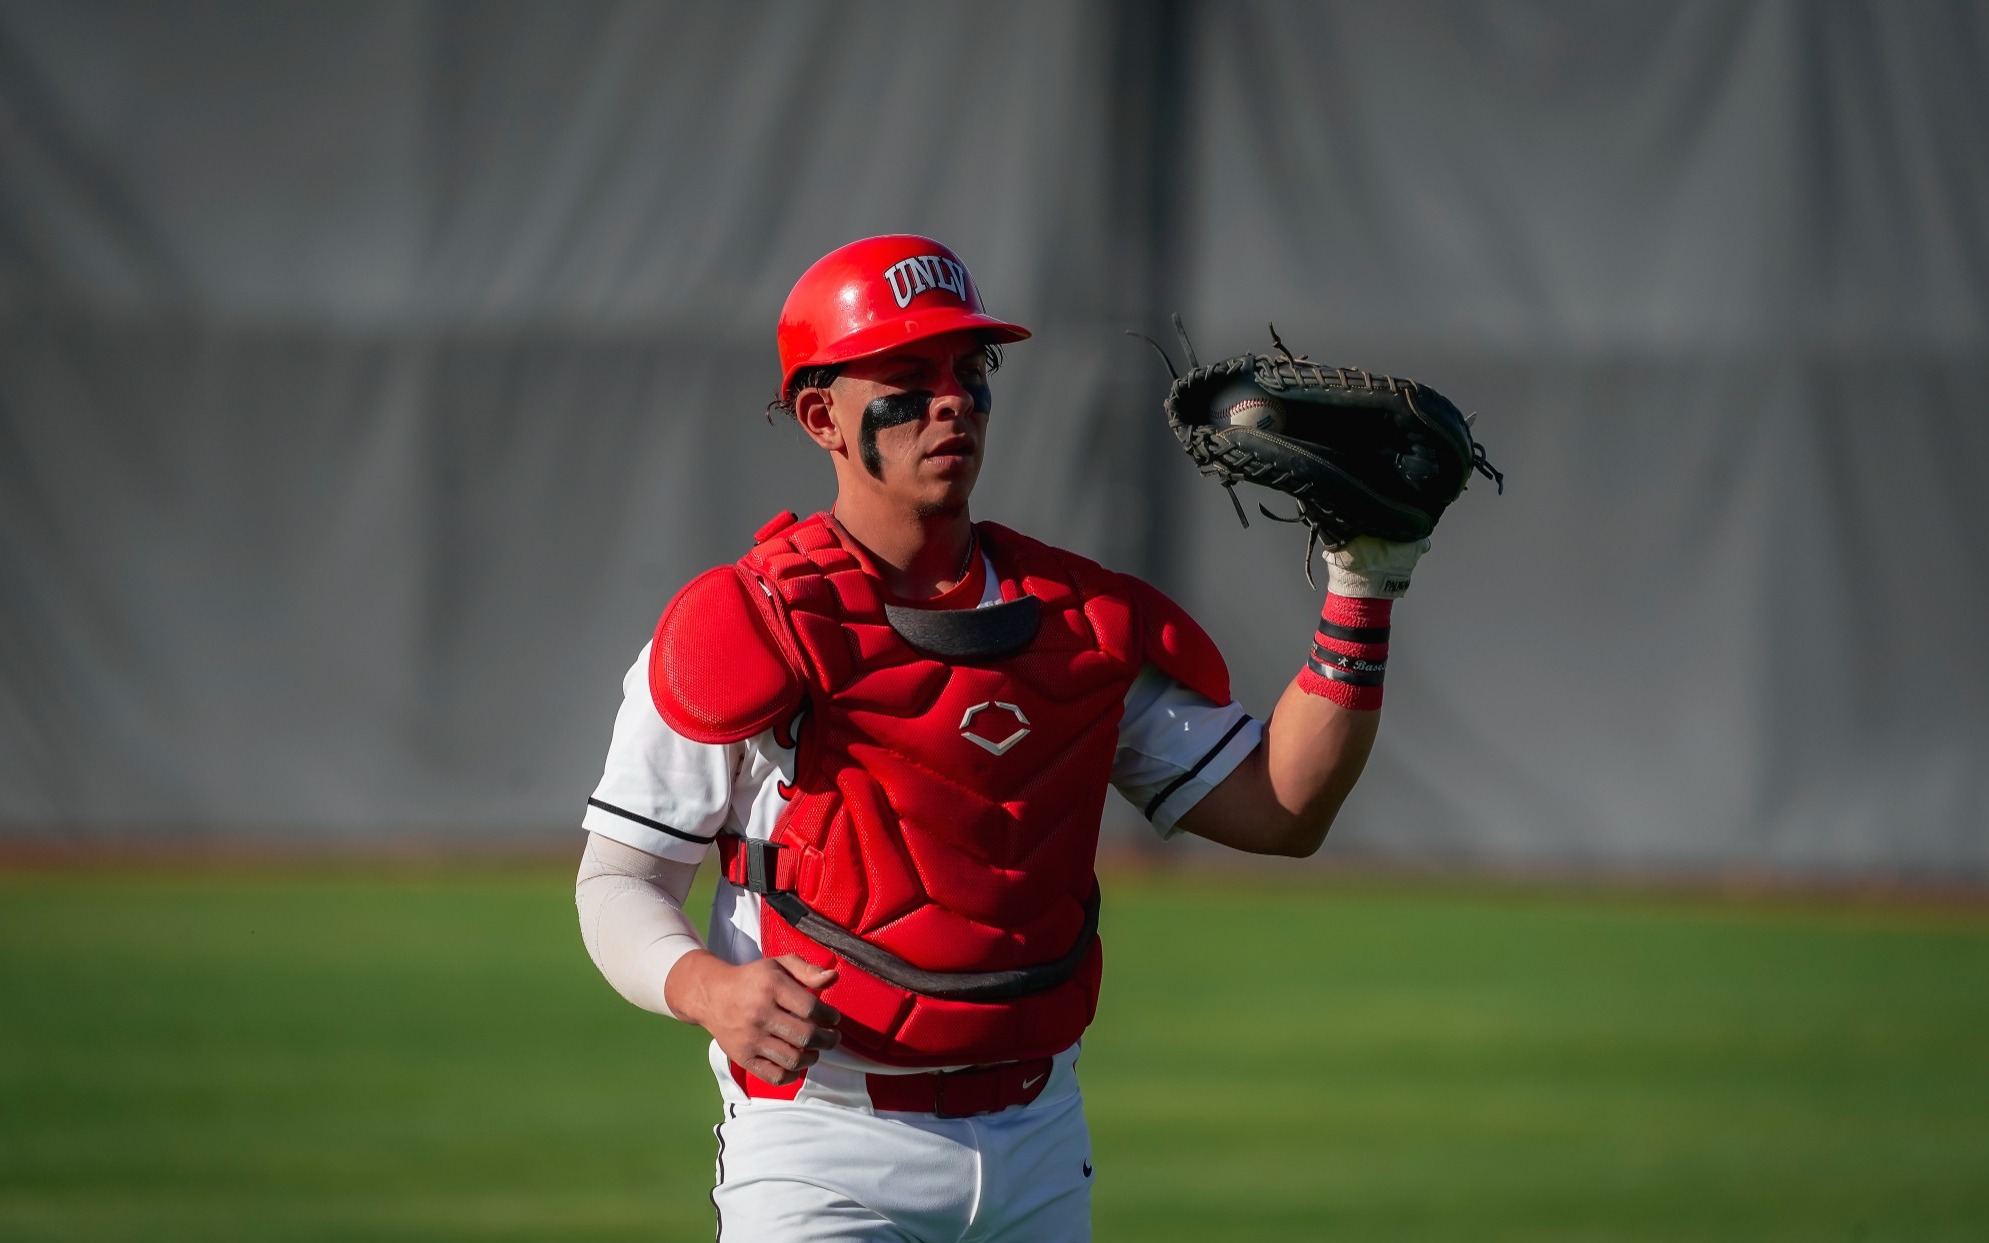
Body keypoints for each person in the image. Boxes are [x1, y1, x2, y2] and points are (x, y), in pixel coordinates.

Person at [576, 234, 1415, 1241]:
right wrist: (705, 986)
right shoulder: (747, 624)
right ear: (820, 416)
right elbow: (617, 881)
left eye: (970, 371)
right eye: (909, 375)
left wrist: (1363, 584)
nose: (953, 401)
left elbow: (1283, 811)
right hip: (823, 1143)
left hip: (1038, 1139)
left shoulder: (1078, 623)